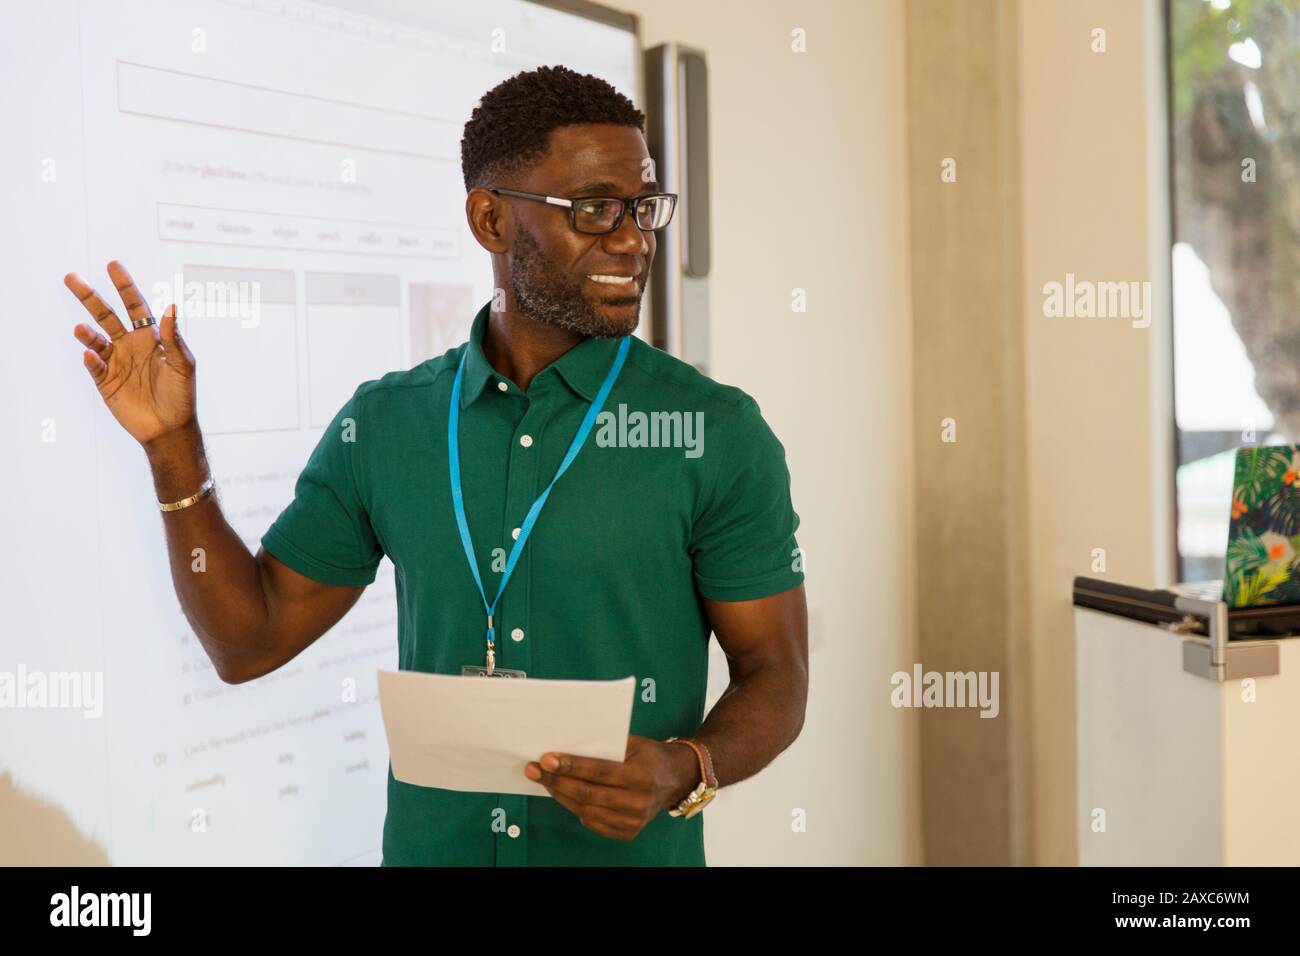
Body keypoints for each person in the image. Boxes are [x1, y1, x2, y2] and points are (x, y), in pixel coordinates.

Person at [63, 64, 808, 866]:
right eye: (594, 209)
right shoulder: (386, 424)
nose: (631, 238)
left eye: (642, 208)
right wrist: (173, 447)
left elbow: (777, 674)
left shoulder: (713, 432)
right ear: (490, 219)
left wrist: (682, 768)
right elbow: (250, 641)